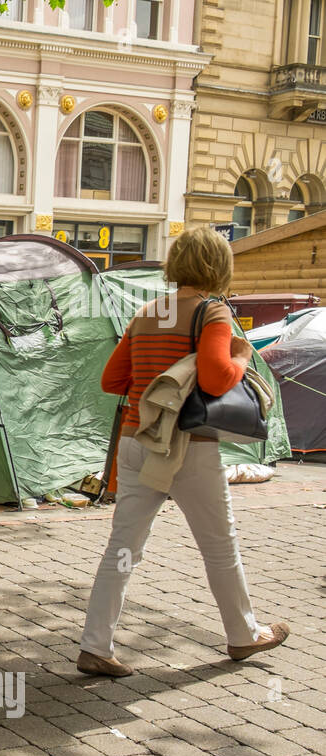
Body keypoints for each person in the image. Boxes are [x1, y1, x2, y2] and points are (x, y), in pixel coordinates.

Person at [77, 226, 289, 677]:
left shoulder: (149, 311)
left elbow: (111, 382)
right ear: (218, 265)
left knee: (123, 548)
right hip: (188, 445)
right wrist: (242, 359)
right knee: (219, 544)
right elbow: (215, 380)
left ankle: (96, 645)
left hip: (137, 441)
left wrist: (154, 373)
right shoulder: (212, 312)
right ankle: (243, 634)